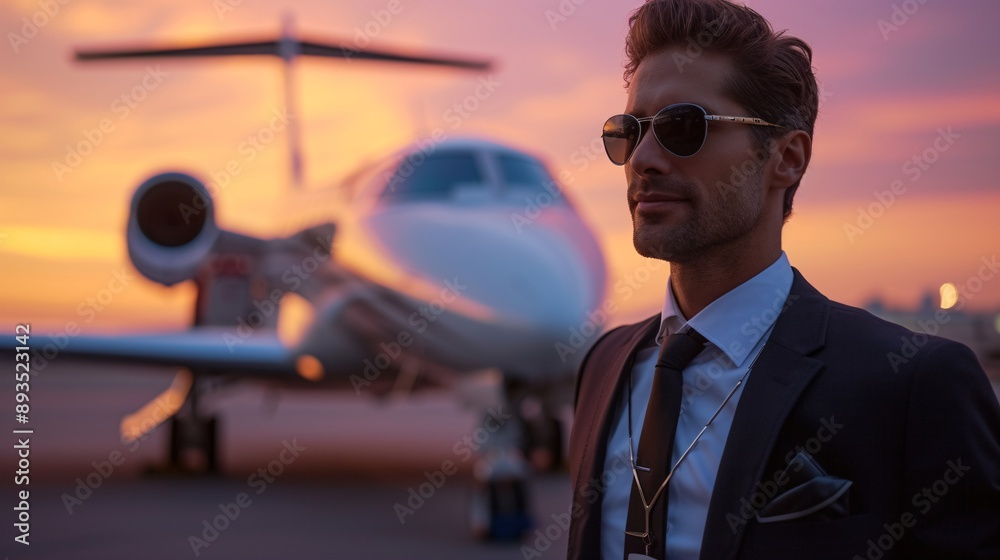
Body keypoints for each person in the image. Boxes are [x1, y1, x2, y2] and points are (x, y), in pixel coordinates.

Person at [566, 1, 1000, 559]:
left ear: (787, 159)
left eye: (682, 127)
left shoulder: (914, 386)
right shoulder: (605, 366)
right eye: (629, 130)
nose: (644, 158)